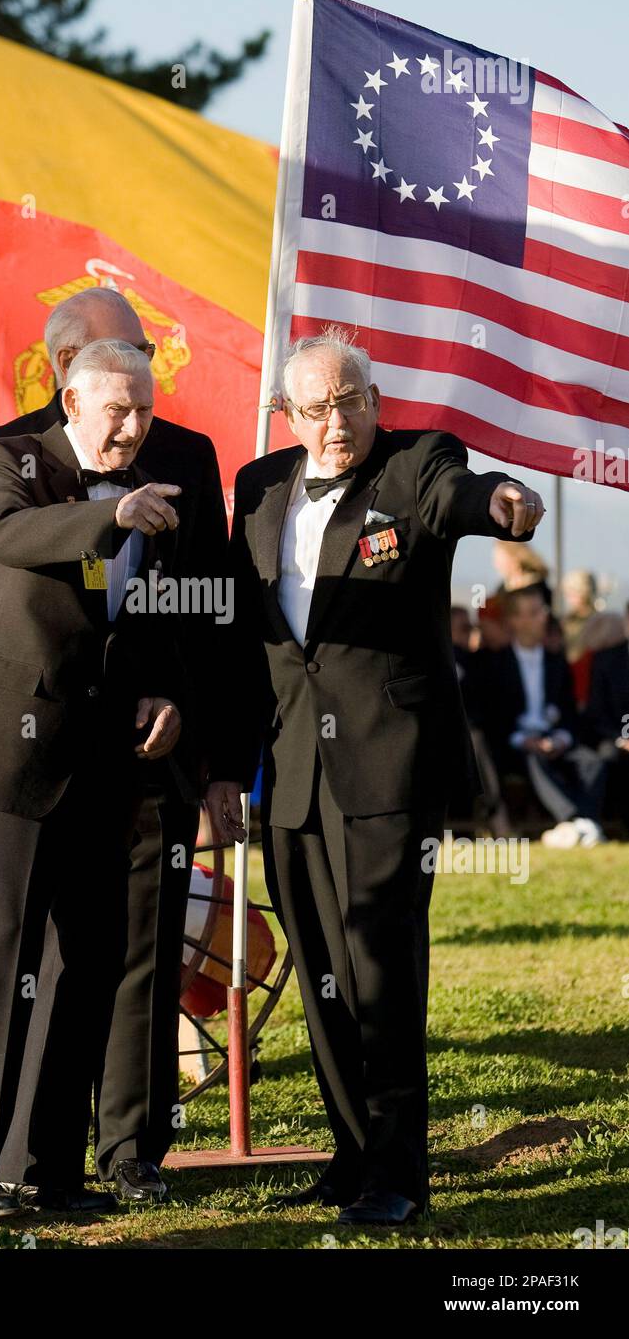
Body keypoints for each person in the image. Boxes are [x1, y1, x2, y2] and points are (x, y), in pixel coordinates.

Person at [209, 326, 546, 1225]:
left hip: (388, 765)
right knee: (317, 966)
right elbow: (241, 643)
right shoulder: (253, 488)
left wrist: (503, 501)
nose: (335, 423)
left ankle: (398, 1173)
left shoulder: (416, 463)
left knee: (380, 970)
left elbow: (459, 497)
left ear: (373, 401)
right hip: (286, 770)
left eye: (349, 401)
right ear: (286, 415)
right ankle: (348, 1155)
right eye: (316, 408)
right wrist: (217, 768)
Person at [0, 286, 229, 1207]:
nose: (133, 426)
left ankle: (45, 1168)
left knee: (85, 960)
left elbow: (202, 604)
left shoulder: (179, 463)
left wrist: (180, 700)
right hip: (14, 754)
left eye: (143, 407)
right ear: (69, 397)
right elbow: (5, 550)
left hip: (113, 759)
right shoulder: (3, 458)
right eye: (116, 409)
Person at [478, 585, 607, 849]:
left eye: (542, 611)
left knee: (593, 761)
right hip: (515, 746)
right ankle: (574, 820)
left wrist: (560, 738)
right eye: (534, 612)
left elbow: (569, 713)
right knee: (534, 757)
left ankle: (583, 822)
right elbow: (491, 719)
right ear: (515, 620)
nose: (543, 617)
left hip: (552, 739)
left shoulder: (556, 661)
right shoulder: (494, 663)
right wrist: (522, 740)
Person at [584, 603, 629, 833]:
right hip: (613, 735)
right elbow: (596, 712)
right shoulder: (607, 661)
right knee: (607, 756)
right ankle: (611, 822)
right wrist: (622, 738)